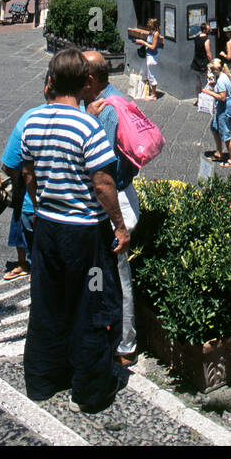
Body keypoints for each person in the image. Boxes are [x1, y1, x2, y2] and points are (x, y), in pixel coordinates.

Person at [20, 47, 128, 411]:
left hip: (48, 229)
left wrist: (42, 204)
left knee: (47, 304)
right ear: (85, 83)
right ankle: (91, 390)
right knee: (92, 306)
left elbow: (29, 175)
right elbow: (102, 184)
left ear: (50, 81)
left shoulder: (32, 121)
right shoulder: (88, 127)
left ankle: (41, 381)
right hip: (85, 234)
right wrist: (120, 225)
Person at [81, 51, 141, 368]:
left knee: (118, 275)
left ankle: (125, 342)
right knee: (112, 273)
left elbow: (97, 169)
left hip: (113, 201)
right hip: (122, 194)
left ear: (90, 80)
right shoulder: (116, 97)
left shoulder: (104, 110)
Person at [2, 84, 57, 282]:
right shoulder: (88, 118)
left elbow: (9, 164)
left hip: (34, 204)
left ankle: (26, 265)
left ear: (46, 88)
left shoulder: (29, 118)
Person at [203, 57, 231, 166]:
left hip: (225, 108)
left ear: (218, 69)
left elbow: (222, 97)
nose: (212, 72)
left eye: (213, 70)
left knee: (226, 134)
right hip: (225, 106)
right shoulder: (228, 75)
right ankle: (219, 152)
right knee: (214, 127)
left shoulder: (222, 79)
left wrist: (209, 92)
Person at [135, 18, 163, 99]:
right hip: (147, 55)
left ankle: (153, 95)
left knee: (151, 75)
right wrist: (140, 43)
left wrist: (143, 42)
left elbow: (153, 47)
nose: (148, 26)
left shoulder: (156, 34)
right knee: (144, 73)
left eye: (149, 25)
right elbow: (148, 43)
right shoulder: (151, 33)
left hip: (152, 57)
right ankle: (147, 90)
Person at [191, 21, 213, 94]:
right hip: (203, 64)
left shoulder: (196, 38)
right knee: (204, 84)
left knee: (198, 84)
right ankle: (205, 100)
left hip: (196, 63)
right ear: (204, 30)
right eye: (209, 29)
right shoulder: (206, 40)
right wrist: (212, 62)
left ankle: (199, 99)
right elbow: (208, 53)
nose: (210, 30)